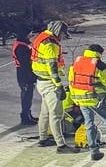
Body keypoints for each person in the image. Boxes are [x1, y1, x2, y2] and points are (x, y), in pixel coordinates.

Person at [31, 19, 79, 153]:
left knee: (45, 112)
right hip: (50, 83)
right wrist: (58, 86)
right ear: (58, 31)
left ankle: (43, 138)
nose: (63, 37)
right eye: (63, 34)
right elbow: (52, 67)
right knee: (56, 115)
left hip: (41, 81)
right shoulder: (51, 44)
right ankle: (61, 145)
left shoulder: (41, 37)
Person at [11, 30, 37, 125]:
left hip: (24, 73)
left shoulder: (23, 44)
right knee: (26, 96)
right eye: (29, 33)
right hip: (24, 74)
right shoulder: (21, 47)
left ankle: (28, 115)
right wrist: (33, 75)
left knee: (28, 96)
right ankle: (25, 117)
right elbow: (25, 64)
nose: (31, 35)